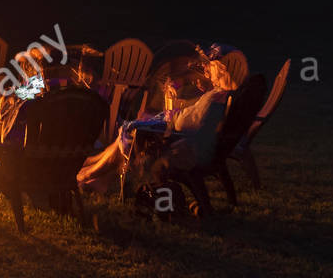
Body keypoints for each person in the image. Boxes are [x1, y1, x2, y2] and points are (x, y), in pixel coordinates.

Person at [77, 54, 236, 197]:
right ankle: (97, 175)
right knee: (133, 132)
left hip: (185, 149)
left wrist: (173, 114)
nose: (207, 70)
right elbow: (194, 115)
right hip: (190, 143)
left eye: (211, 66)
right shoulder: (218, 95)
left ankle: (87, 173)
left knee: (133, 133)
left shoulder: (214, 99)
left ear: (220, 70)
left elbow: (186, 124)